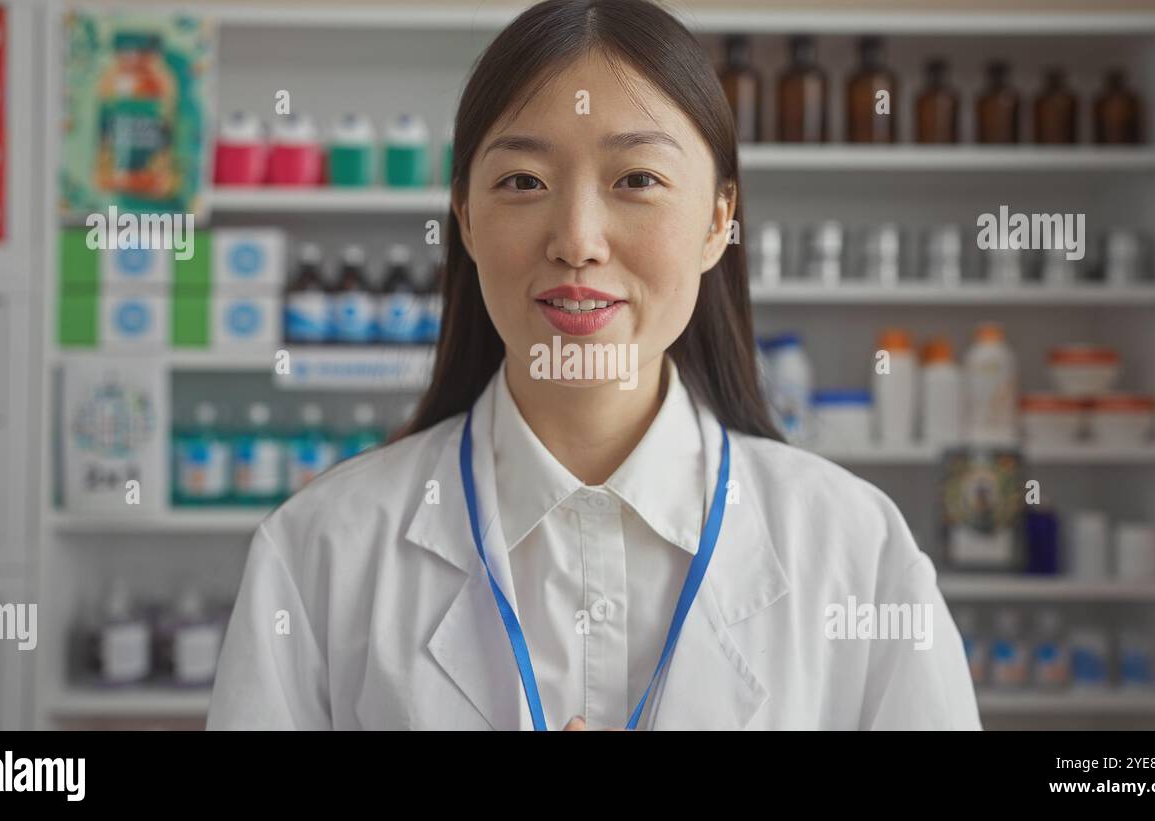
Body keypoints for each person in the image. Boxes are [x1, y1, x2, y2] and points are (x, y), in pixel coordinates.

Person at [207, 0, 980, 731]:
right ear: (467, 220)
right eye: (523, 182)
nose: (577, 239)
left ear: (719, 220)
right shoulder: (318, 551)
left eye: (637, 180)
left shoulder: (859, 552)